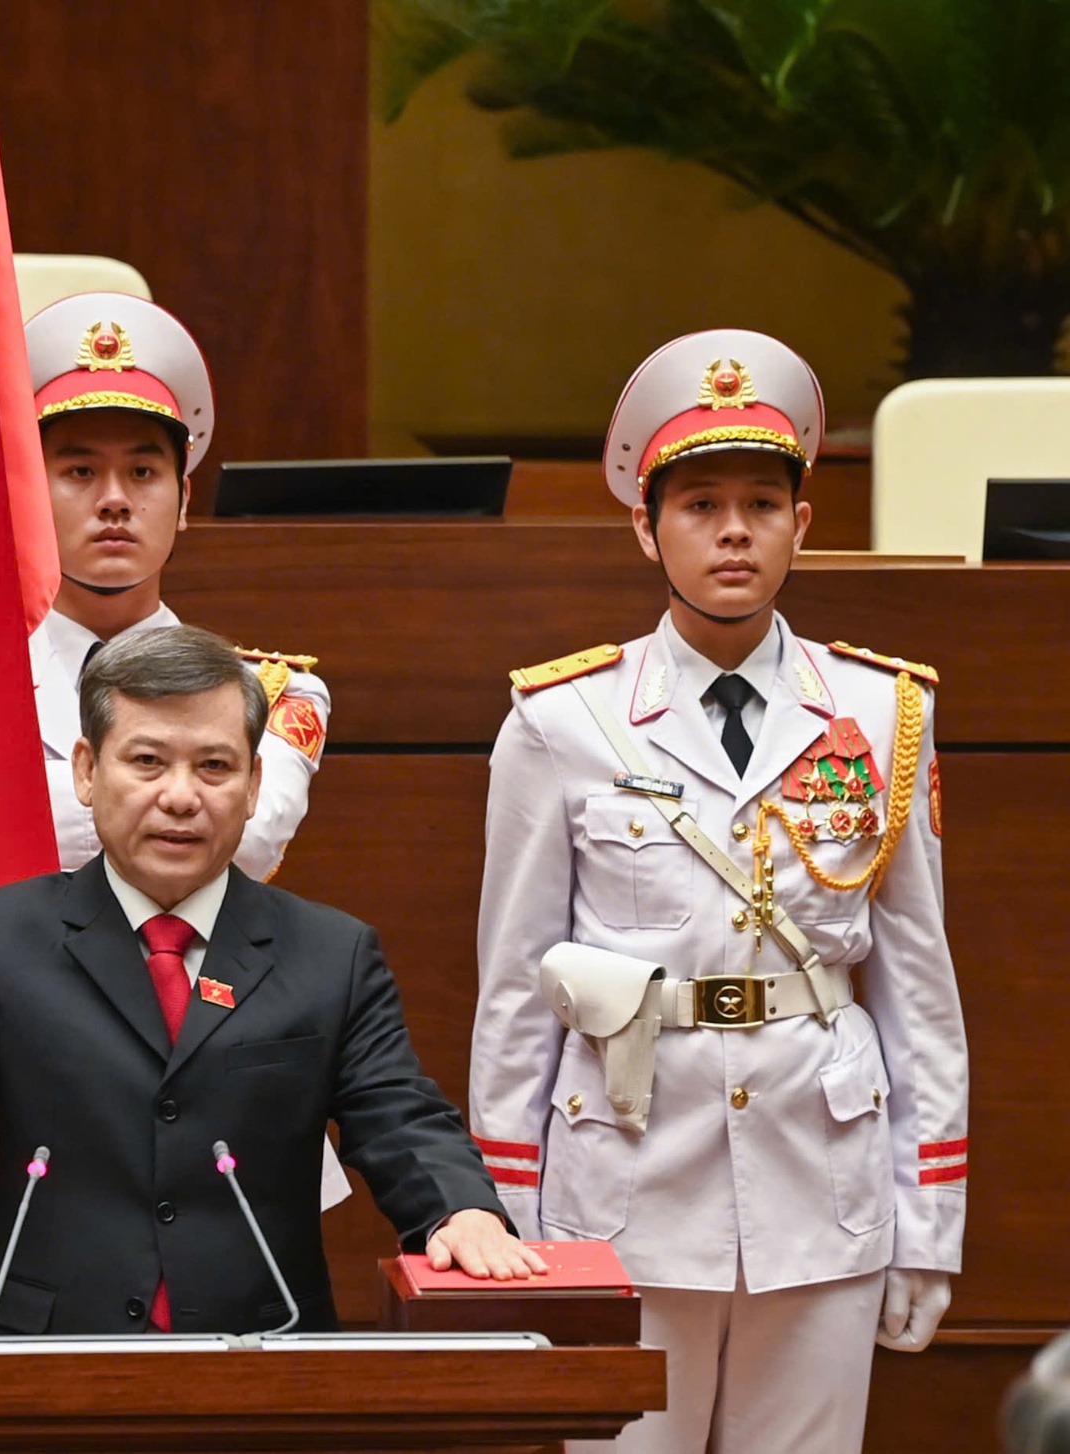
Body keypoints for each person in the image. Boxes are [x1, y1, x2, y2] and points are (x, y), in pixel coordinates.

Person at [470, 330, 967, 1453]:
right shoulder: (561, 721)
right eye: (697, 503)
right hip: (624, 1183)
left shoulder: (879, 714)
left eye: (759, 500)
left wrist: (927, 1218)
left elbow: (915, 984)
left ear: (804, 519)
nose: (732, 528)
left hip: (821, 1176)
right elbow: (512, 990)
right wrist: (513, 1229)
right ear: (645, 525)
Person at [0, 292, 343, 1263]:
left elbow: (239, 840)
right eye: (76, 469)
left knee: (226, 1409)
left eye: (143, 470)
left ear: (185, 501)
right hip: (10, 1123)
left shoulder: (269, 690)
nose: (113, 498)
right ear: (24, 490)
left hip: (223, 1120)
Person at [0, 625, 538, 1334]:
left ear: (254, 783)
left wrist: (460, 1209)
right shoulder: (1, 936)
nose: (180, 796)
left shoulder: (330, 953)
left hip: (261, 1357)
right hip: (39, 1356)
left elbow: (399, 1114)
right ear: (86, 770)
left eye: (214, 767)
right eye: (147, 761)